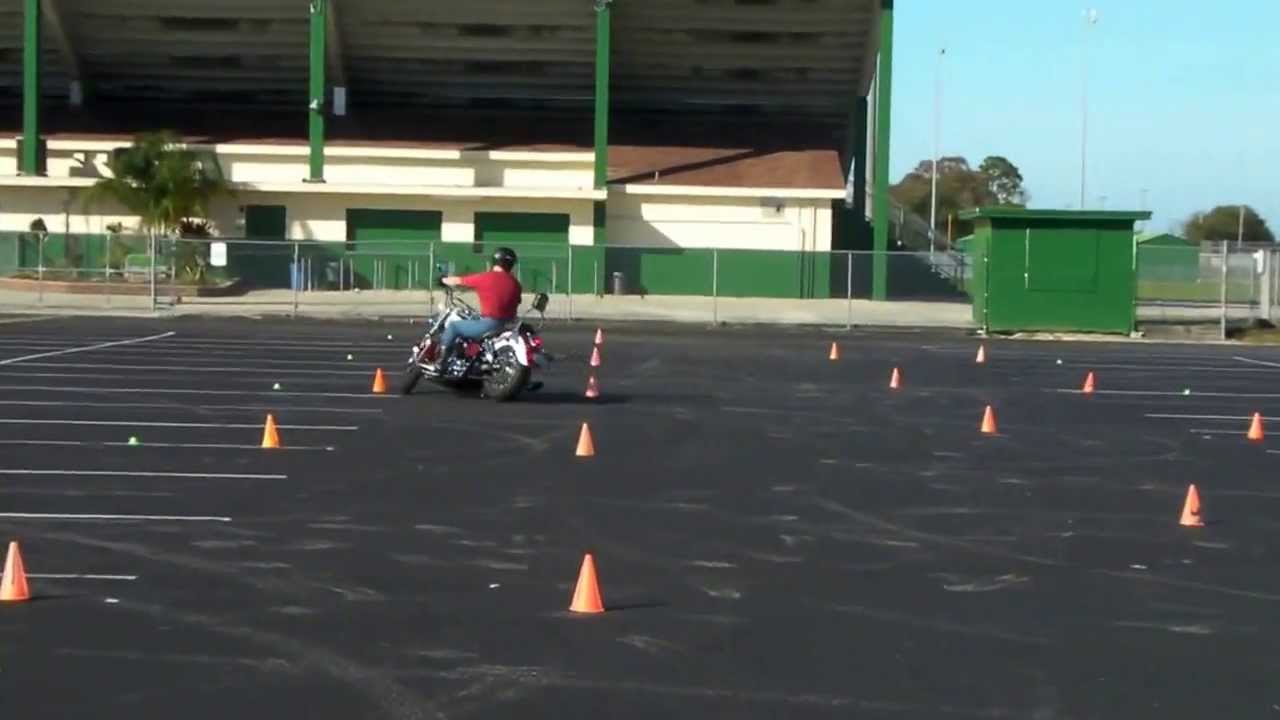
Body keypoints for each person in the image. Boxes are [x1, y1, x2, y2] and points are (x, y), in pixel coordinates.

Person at [430, 247, 522, 373]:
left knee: (453, 327)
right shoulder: (516, 284)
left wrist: (443, 280)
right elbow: (516, 302)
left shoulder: (486, 277)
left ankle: (441, 363)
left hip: (489, 324)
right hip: (507, 325)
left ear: (494, 261)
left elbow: (459, 281)